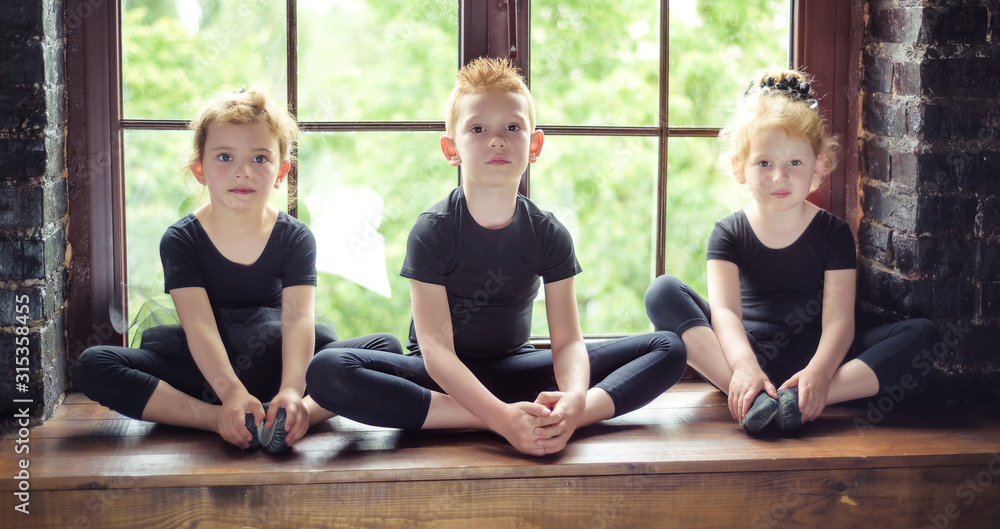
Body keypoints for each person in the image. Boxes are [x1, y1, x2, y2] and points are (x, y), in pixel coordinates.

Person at [306, 57, 687, 456]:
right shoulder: (433, 230)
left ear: (534, 144)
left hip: (514, 372)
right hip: (442, 381)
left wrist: (573, 397)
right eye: (477, 129)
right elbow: (435, 351)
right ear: (450, 149)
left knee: (668, 348)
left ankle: (559, 419)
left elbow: (569, 342)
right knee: (327, 371)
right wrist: (501, 418)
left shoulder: (549, 233)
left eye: (512, 127)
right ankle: (497, 419)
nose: (496, 140)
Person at [77, 89, 402, 452]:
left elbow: (297, 319)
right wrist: (230, 392)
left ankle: (299, 413)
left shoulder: (294, 237)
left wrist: (293, 389)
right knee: (95, 364)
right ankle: (217, 417)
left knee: (384, 348)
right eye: (225, 157)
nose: (243, 172)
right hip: (202, 370)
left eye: (259, 158)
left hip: (278, 361)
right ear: (200, 169)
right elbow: (198, 325)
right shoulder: (181, 239)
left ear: (281, 172)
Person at [644, 68, 940, 436]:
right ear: (740, 167)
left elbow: (838, 321)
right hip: (748, 355)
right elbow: (726, 314)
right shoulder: (728, 233)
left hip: (818, 359)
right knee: (662, 292)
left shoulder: (833, 233)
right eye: (764, 163)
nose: (779, 177)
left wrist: (819, 370)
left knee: (922, 334)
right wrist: (744, 365)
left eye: (794, 163)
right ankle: (752, 394)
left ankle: (806, 397)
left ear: (818, 165)